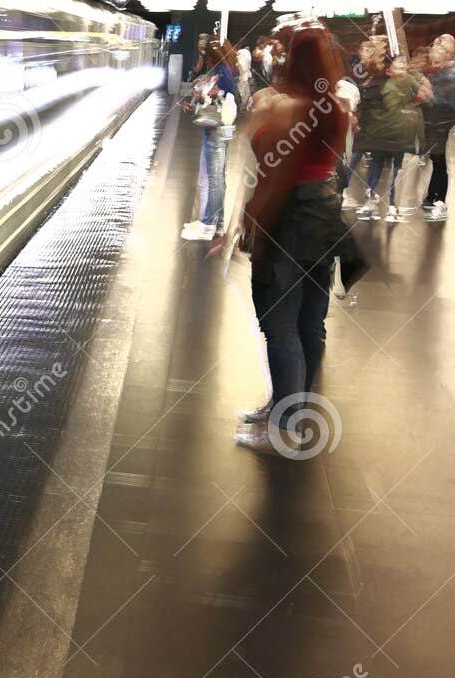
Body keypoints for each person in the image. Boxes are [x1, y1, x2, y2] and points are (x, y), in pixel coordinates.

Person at [236, 25, 353, 456]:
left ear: (293, 60)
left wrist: (251, 224)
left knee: (279, 325)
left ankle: (281, 430)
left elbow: (275, 180)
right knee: (310, 323)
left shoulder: (289, 110)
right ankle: (289, 408)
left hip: (288, 223)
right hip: (324, 218)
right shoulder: (336, 108)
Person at [353, 51, 425, 221]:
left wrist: (412, 106)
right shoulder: (384, 85)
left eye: (403, 64)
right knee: (378, 165)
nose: (402, 67)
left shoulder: (408, 81)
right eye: (398, 65)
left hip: (399, 132)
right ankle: (371, 201)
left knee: (395, 168)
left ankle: (391, 205)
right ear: (389, 70)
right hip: (384, 132)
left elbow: (422, 96)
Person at [181, 39, 239, 242]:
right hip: (222, 128)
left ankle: (208, 225)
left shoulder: (221, 72)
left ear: (211, 55)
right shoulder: (226, 70)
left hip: (216, 129)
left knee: (214, 179)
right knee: (218, 178)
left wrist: (201, 93)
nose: (203, 59)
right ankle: (218, 223)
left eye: (204, 55)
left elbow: (219, 96)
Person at [420, 33, 455, 221]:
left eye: (438, 48)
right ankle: (432, 195)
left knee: (440, 163)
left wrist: (430, 96)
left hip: (441, 123)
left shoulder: (451, 74)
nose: (434, 51)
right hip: (432, 123)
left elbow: (449, 103)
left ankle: (439, 201)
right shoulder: (434, 72)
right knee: (436, 162)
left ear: (448, 53)